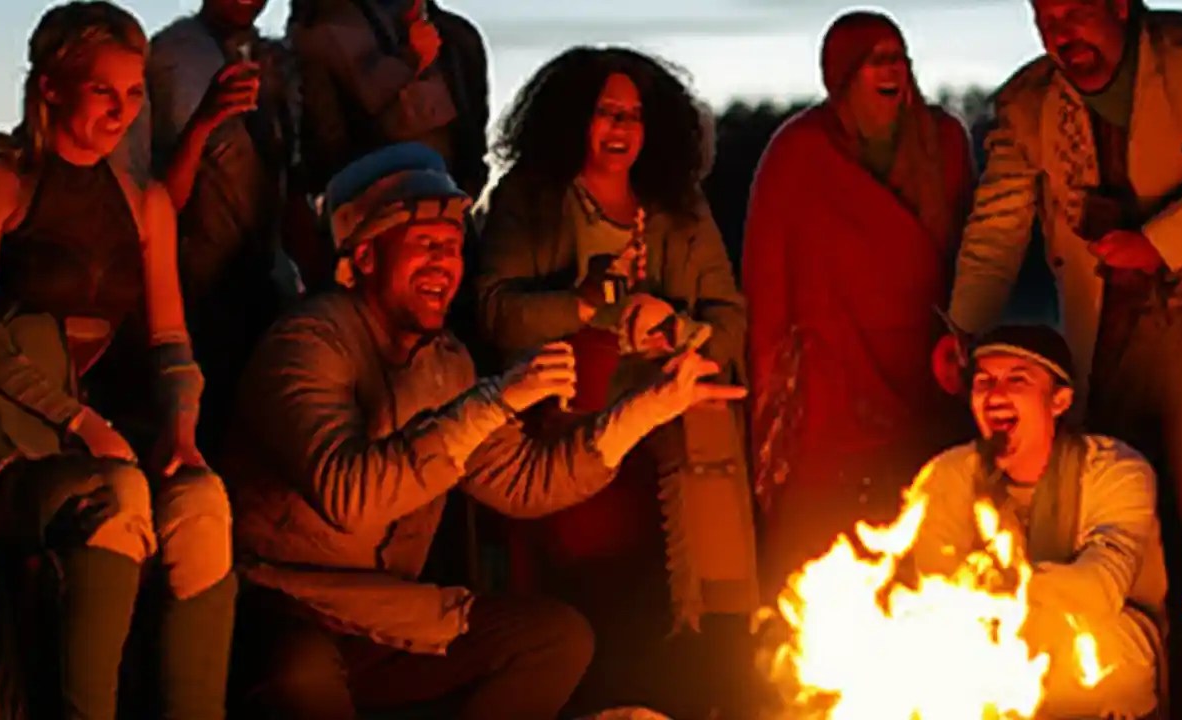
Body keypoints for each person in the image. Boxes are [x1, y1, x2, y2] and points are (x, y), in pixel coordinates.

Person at [223, 141, 746, 720]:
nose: (444, 265)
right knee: (299, 675)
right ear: (365, 256)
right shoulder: (307, 344)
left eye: (451, 248)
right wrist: (497, 401)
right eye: (424, 245)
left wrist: (646, 410)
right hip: (291, 608)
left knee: (553, 639)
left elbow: (524, 482)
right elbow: (351, 496)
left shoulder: (445, 362)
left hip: (384, 616)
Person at [933, 0, 1182, 711]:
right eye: (1045, 17)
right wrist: (966, 334)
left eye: (1076, 12)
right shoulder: (1030, 103)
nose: (1060, 33)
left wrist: (1159, 242)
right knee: (1107, 490)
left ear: (1119, 6)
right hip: (1105, 323)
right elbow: (999, 222)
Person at [477, 46, 757, 718]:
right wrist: (584, 309)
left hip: (674, 454)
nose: (621, 127)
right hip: (567, 441)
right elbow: (495, 313)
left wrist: (677, 329)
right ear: (574, 117)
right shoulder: (530, 198)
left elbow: (730, 321)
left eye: (634, 113)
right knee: (590, 610)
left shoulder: (678, 208)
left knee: (673, 617)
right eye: (606, 111)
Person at [0, 3, 234, 719]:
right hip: (7, 437)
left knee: (203, 505)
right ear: (51, 87)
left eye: (135, 94)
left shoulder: (144, 201)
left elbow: (170, 339)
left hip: (102, 433)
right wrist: (78, 421)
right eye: (103, 91)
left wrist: (182, 426)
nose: (122, 111)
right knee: (117, 499)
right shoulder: (2, 182)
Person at [743, 10, 976, 596]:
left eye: (898, 56)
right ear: (841, 75)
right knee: (822, 546)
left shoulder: (942, 142)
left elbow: (970, 254)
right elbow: (767, 277)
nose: (891, 69)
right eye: (875, 58)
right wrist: (770, 391)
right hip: (831, 381)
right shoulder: (798, 152)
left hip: (925, 369)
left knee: (923, 535)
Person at [914, 324, 1166, 719]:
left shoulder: (1115, 471)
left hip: (1095, 653)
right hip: (992, 646)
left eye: (1018, 380)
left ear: (1059, 400)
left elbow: (1099, 590)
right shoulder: (948, 475)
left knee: (1108, 639)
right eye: (984, 382)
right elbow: (934, 586)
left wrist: (1001, 588)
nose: (996, 395)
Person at [121, 0, 302, 459]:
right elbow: (157, 191)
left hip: (265, 282)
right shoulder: (172, 58)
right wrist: (206, 121)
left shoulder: (274, 60)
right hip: (193, 286)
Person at [289, 0, 489, 198]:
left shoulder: (455, 39)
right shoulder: (322, 37)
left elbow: (472, 150)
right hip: (369, 204)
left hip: (444, 201)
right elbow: (322, 158)